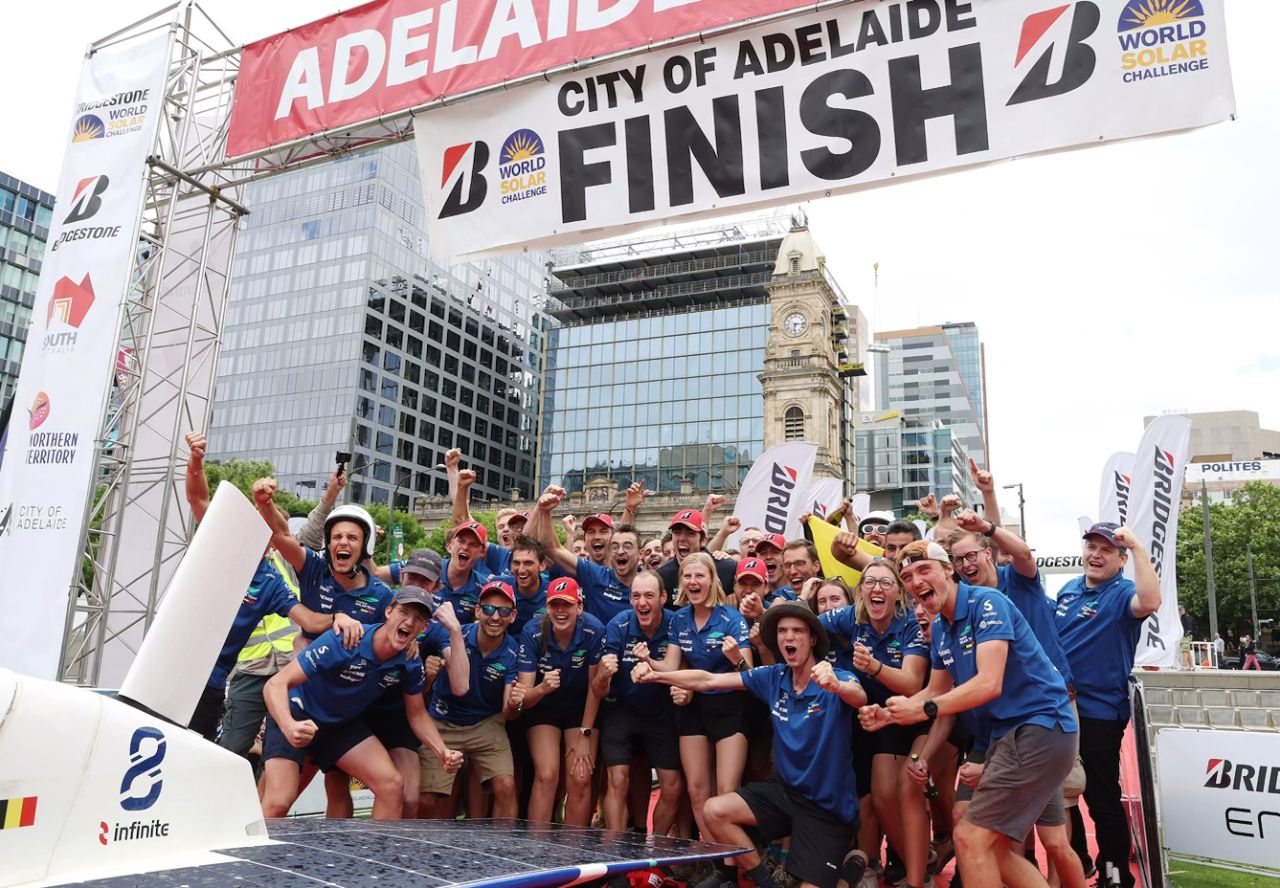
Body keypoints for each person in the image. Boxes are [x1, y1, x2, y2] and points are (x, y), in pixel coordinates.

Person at [869, 541, 1078, 888]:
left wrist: (921, 708)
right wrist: (889, 715)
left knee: (974, 837)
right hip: (1006, 737)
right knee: (976, 832)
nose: (916, 581)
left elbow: (988, 684)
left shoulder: (987, 602)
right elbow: (934, 691)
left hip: (1039, 728)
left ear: (947, 570)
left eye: (924, 570)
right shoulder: (939, 628)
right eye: (906, 576)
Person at [634, 602, 868, 888]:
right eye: (782, 631)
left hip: (826, 808)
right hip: (786, 793)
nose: (789, 637)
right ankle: (768, 883)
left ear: (813, 639)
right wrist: (657, 675)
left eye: (797, 631)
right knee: (714, 810)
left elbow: (859, 697)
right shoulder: (773, 676)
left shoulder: (834, 675)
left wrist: (837, 686)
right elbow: (708, 679)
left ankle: (847, 875)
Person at [260, 587, 463, 819]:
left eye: (418, 619)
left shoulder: (410, 663)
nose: (409, 622)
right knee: (278, 802)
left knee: (392, 785)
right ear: (388, 612)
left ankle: (375, 853)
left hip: (339, 726)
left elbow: (416, 714)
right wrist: (289, 725)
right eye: (403, 612)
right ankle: (249, 851)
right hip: (297, 713)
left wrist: (442, 751)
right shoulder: (346, 639)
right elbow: (274, 685)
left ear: (424, 628)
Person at [1053, 522, 1160, 888]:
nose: (1096, 555)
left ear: (1121, 559)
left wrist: (1139, 547)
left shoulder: (1124, 592)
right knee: (1062, 794)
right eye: (1091, 547)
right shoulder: (1067, 590)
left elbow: (1150, 602)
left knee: (1101, 796)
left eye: (1106, 550)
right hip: (1058, 710)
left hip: (1100, 713)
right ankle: (1081, 861)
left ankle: (1114, 874)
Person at [637, 553, 752, 867]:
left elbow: (748, 673)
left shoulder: (731, 618)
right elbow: (671, 667)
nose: (693, 582)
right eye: (687, 577)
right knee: (698, 789)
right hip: (694, 708)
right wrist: (649, 664)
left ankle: (731, 868)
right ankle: (715, 862)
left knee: (727, 791)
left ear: (712, 579)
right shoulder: (679, 618)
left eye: (699, 576)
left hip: (729, 707)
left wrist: (734, 657)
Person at [824, 559, 931, 888]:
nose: (876, 589)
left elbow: (913, 683)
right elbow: (805, 622)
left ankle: (939, 852)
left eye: (885, 583)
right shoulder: (851, 617)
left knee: (920, 792)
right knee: (883, 796)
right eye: (869, 582)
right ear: (859, 592)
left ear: (899, 592)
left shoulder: (911, 622)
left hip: (924, 714)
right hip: (885, 720)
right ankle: (920, 866)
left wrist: (872, 667)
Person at [418, 580, 524, 819]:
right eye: (488, 609)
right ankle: (428, 852)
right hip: (443, 720)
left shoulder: (513, 650)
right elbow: (416, 687)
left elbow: (509, 714)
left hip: (487, 723)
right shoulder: (453, 635)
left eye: (504, 611)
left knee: (506, 786)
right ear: (477, 611)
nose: (495, 616)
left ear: (513, 616)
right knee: (426, 799)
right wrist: (428, 674)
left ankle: (503, 852)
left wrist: (515, 702)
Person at [596, 571, 684, 835]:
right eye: (636, 596)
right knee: (618, 781)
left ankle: (654, 850)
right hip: (621, 711)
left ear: (663, 598)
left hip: (661, 713)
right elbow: (599, 688)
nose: (642, 602)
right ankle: (616, 855)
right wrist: (602, 674)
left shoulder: (676, 622)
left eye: (649, 595)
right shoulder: (618, 625)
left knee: (672, 785)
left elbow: (683, 668)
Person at [516, 577, 607, 825]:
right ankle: (536, 852)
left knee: (580, 776)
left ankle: (573, 852)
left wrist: (585, 734)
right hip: (543, 707)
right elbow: (525, 698)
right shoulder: (532, 631)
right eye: (554, 604)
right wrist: (543, 688)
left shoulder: (593, 630)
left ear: (579, 607)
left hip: (580, 707)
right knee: (547, 775)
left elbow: (595, 687)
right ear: (547, 607)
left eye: (566, 604)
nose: (560, 611)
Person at [529, 487, 636, 623]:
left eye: (603, 531)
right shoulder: (587, 571)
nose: (597, 536)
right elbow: (548, 547)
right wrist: (543, 510)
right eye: (591, 532)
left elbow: (626, 538)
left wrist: (630, 508)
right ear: (585, 539)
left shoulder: (636, 577)